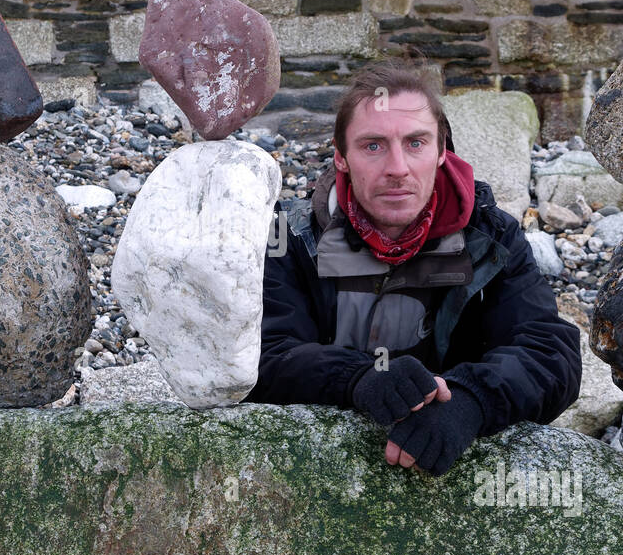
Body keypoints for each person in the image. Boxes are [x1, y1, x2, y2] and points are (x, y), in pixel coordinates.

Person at [244, 57, 581, 477]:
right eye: (373, 146)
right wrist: (357, 379)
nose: (397, 168)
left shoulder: (490, 236)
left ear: (441, 151)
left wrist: (469, 401)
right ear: (342, 158)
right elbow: (259, 357)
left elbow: (551, 354)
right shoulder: (289, 236)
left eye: (416, 143)